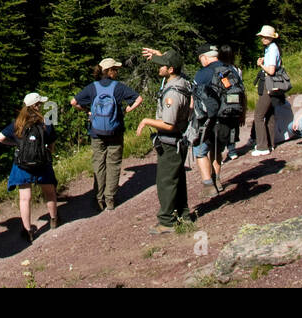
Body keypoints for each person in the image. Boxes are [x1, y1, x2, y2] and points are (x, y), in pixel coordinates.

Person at [71, 58, 143, 211]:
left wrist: (88, 111)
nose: (117, 72)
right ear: (110, 71)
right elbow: (138, 99)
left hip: (96, 132)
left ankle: (98, 198)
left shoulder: (92, 87)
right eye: (115, 69)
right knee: (113, 164)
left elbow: (73, 102)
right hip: (115, 130)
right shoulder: (118, 87)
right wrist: (127, 110)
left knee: (99, 164)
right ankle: (110, 199)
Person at [136, 47, 194, 234]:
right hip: (179, 141)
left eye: (162, 66)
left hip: (170, 142)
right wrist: (160, 55)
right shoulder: (183, 81)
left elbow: (169, 124)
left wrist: (146, 121)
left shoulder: (172, 93)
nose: (158, 68)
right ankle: (183, 215)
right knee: (177, 179)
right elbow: (176, 69)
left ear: (170, 70)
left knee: (166, 181)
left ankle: (167, 222)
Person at [0, 93, 60, 242]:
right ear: (36, 106)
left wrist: (16, 144)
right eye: (40, 104)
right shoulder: (45, 122)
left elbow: (0, 137)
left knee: (25, 198)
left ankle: (28, 230)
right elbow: (51, 143)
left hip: (22, 164)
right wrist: (47, 152)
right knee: (49, 192)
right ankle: (54, 220)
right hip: (42, 163)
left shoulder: (17, 123)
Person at [190, 45, 233, 196]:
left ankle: (208, 185)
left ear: (204, 57)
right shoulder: (230, 69)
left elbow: (194, 98)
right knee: (217, 149)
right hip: (227, 117)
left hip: (208, 119)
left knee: (200, 150)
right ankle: (218, 180)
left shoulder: (202, 73)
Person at [251, 24, 288, 157]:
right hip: (274, 84)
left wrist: (261, 65)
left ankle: (262, 146)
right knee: (270, 114)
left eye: (263, 37)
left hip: (269, 83)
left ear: (269, 37)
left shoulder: (271, 50)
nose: (262, 39)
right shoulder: (272, 48)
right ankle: (270, 143)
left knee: (259, 115)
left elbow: (271, 70)